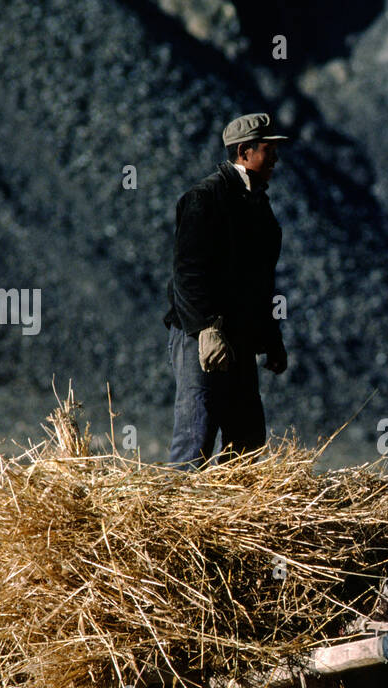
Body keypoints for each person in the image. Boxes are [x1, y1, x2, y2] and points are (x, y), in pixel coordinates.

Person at [164, 112, 290, 467]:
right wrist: (206, 329)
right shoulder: (205, 198)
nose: (276, 159)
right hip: (199, 334)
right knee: (196, 433)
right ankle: (178, 517)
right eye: (269, 150)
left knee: (247, 440)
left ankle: (227, 521)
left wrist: (271, 338)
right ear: (244, 152)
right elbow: (188, 272)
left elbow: (260, 285)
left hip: (240, 337)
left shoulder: (259, 209)